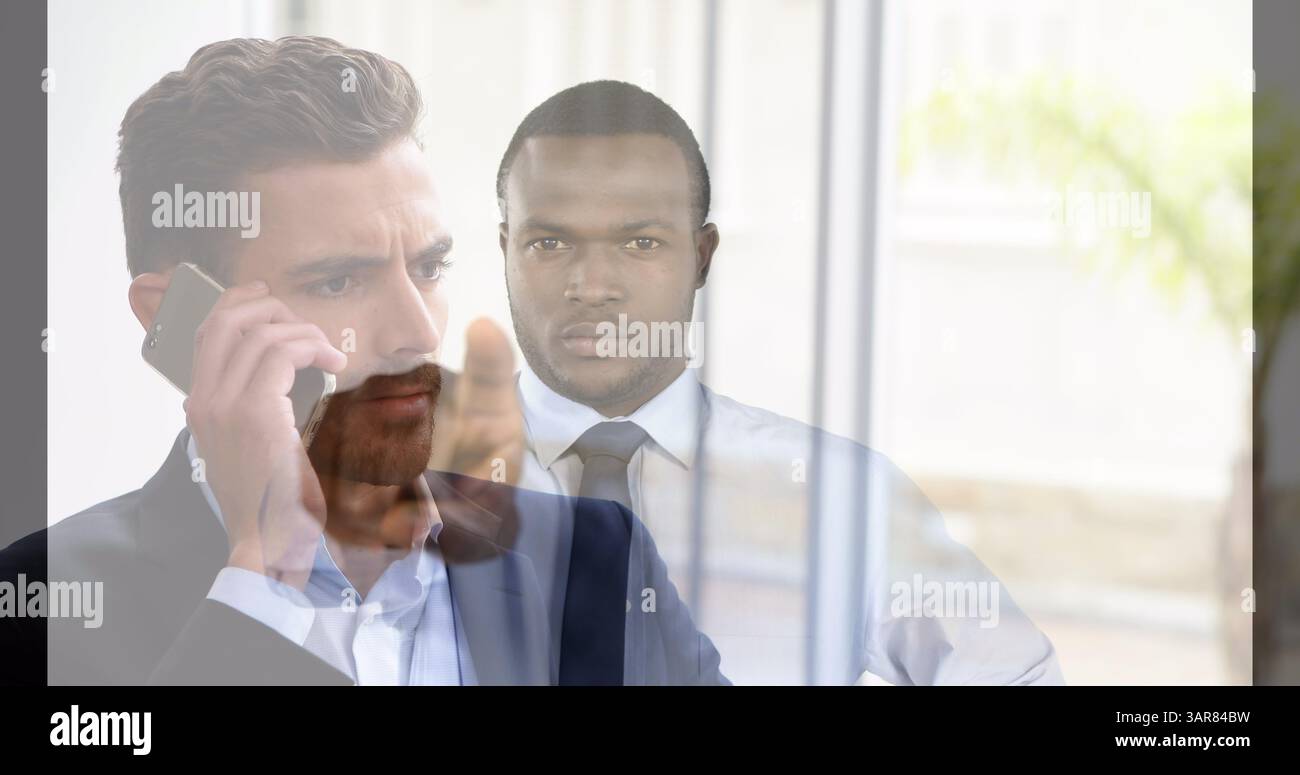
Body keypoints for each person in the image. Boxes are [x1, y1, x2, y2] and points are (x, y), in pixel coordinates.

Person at [0, 39, 725, 686]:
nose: (415, 331)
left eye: (430, 266)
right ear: (178, 319)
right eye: (338, 281)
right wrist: (266, 572)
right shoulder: (43, 605)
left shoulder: (597, 558)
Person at [495, 80, 1064, 684]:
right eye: (549, 242)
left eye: (641, 242)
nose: (592, 284)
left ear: (703, 255)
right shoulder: (417, 485)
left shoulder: (841, 499)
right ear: (505, 250)